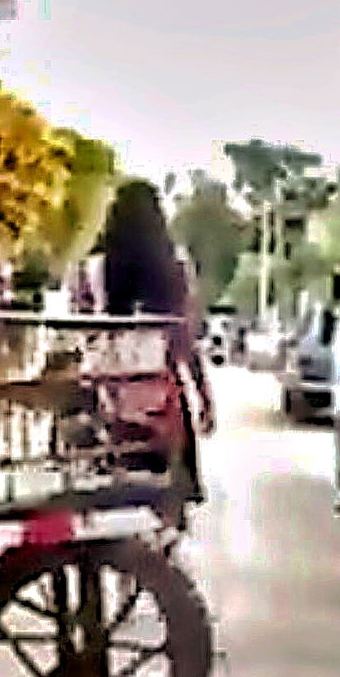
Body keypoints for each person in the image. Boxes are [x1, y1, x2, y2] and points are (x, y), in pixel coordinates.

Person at [99, 178, 215, 521]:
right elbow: (185, 339)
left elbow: (106, 324)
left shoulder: (105, 265)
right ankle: (163, 548)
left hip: (120, 388)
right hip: (161, 390)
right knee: (169, 489)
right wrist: (204, 395)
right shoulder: (175, 266)